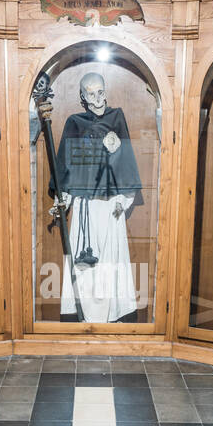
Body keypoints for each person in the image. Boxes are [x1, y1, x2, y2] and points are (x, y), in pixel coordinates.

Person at [52, 72, 141, 322]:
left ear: (106, 91)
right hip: (85, 205)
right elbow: (66, 164)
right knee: (85, 263)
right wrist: (63, 198)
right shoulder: (74, 122)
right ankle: (84, 315)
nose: (97, 98)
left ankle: (112, 315)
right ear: (83, 96)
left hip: (111, 204)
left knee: (111, 260)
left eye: (100, 91)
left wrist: (124, 200)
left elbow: (127, 162)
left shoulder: (117, 118)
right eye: (91, 93)